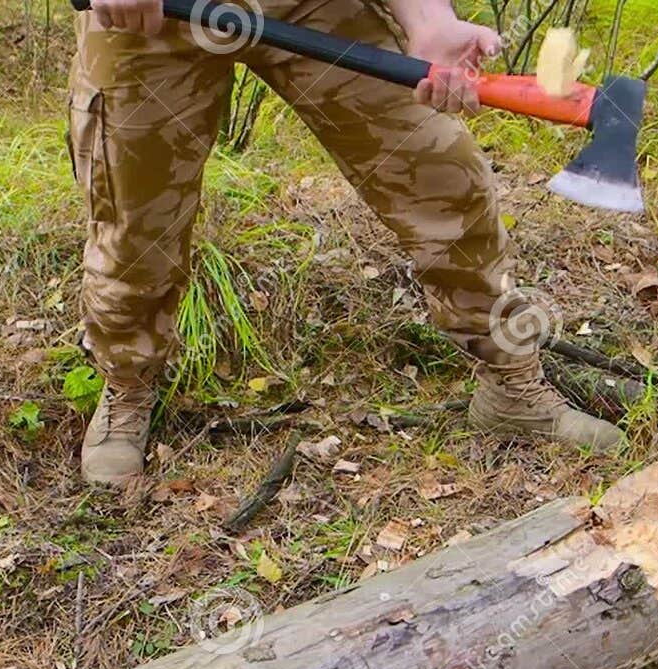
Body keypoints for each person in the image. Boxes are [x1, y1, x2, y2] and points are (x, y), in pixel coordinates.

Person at [71, 0, 623, 485]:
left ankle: (510, 382)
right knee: (135, 217)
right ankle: (127, 383)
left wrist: (427, 18)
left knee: (440, 171)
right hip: (153, 16)